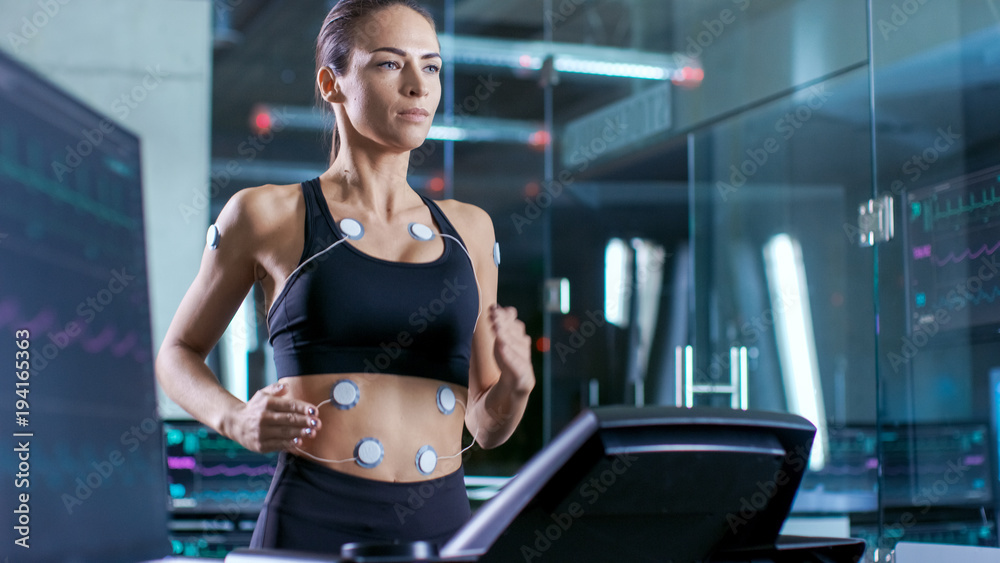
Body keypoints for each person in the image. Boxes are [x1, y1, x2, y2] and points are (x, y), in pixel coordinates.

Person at [154, 0, 535, 554]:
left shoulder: (470, 230)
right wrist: (236, 419)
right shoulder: (266, 215)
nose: (417, 86)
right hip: (314, 521)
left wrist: (516, 390)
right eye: (389, 64)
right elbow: (177, 352)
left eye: (430, 67)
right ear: (332, 84)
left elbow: (486, 426)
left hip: (445, 528)